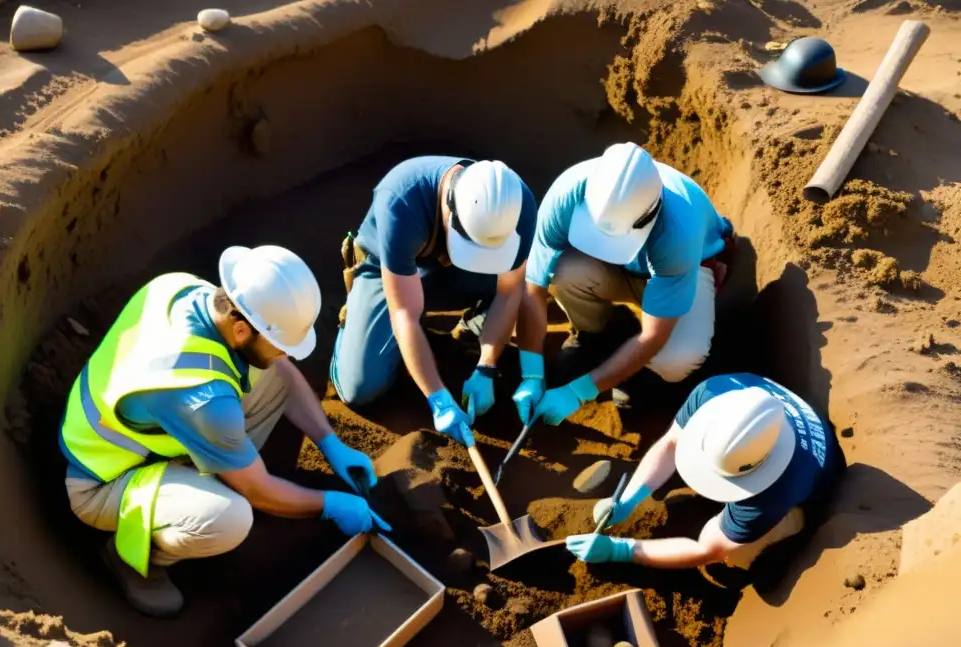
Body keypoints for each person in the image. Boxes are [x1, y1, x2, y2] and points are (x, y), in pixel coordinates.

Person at [59, 245, 388, 618]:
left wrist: (331, 445)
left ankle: (221, 464)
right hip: (104, 480)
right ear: (242, 328)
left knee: (268, 370)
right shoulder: (202, 397)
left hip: (118, 419)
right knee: (229, 518)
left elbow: (280, 373)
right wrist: (330, 505)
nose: (289, 354)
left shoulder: (186, 291)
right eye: (281, 344)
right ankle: (133, 557)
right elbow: (260, 493)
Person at [512, 142, 735, 427]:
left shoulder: (679, 230)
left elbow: (653, 336)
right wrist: (532, 374)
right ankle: (595, 333)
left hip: (681, 271)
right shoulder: (567, 193)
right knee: (564, 271)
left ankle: (643, 374)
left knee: (677, 359)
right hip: (621, 267)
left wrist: (578, 392)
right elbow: (534, 288)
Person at [330, 155, 537, 447]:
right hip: (389, 270)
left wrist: (486, 366)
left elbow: (510, 290)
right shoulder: (401, 199)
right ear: (450, 210)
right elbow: (404, 313)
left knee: (528, 283)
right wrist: (438, 398)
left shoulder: (518, 206)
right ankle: (356, 322)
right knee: (360, 388)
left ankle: (474, 328)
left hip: (456, 274)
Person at [565, 373, 845, 573]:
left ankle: (783, 536)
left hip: (808, 495)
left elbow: (706, 550)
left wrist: (621, 550)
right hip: (784, 443)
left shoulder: (774, 493)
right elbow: (671, 443)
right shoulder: (715, 391)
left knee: (737, 555)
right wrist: (628, 500)